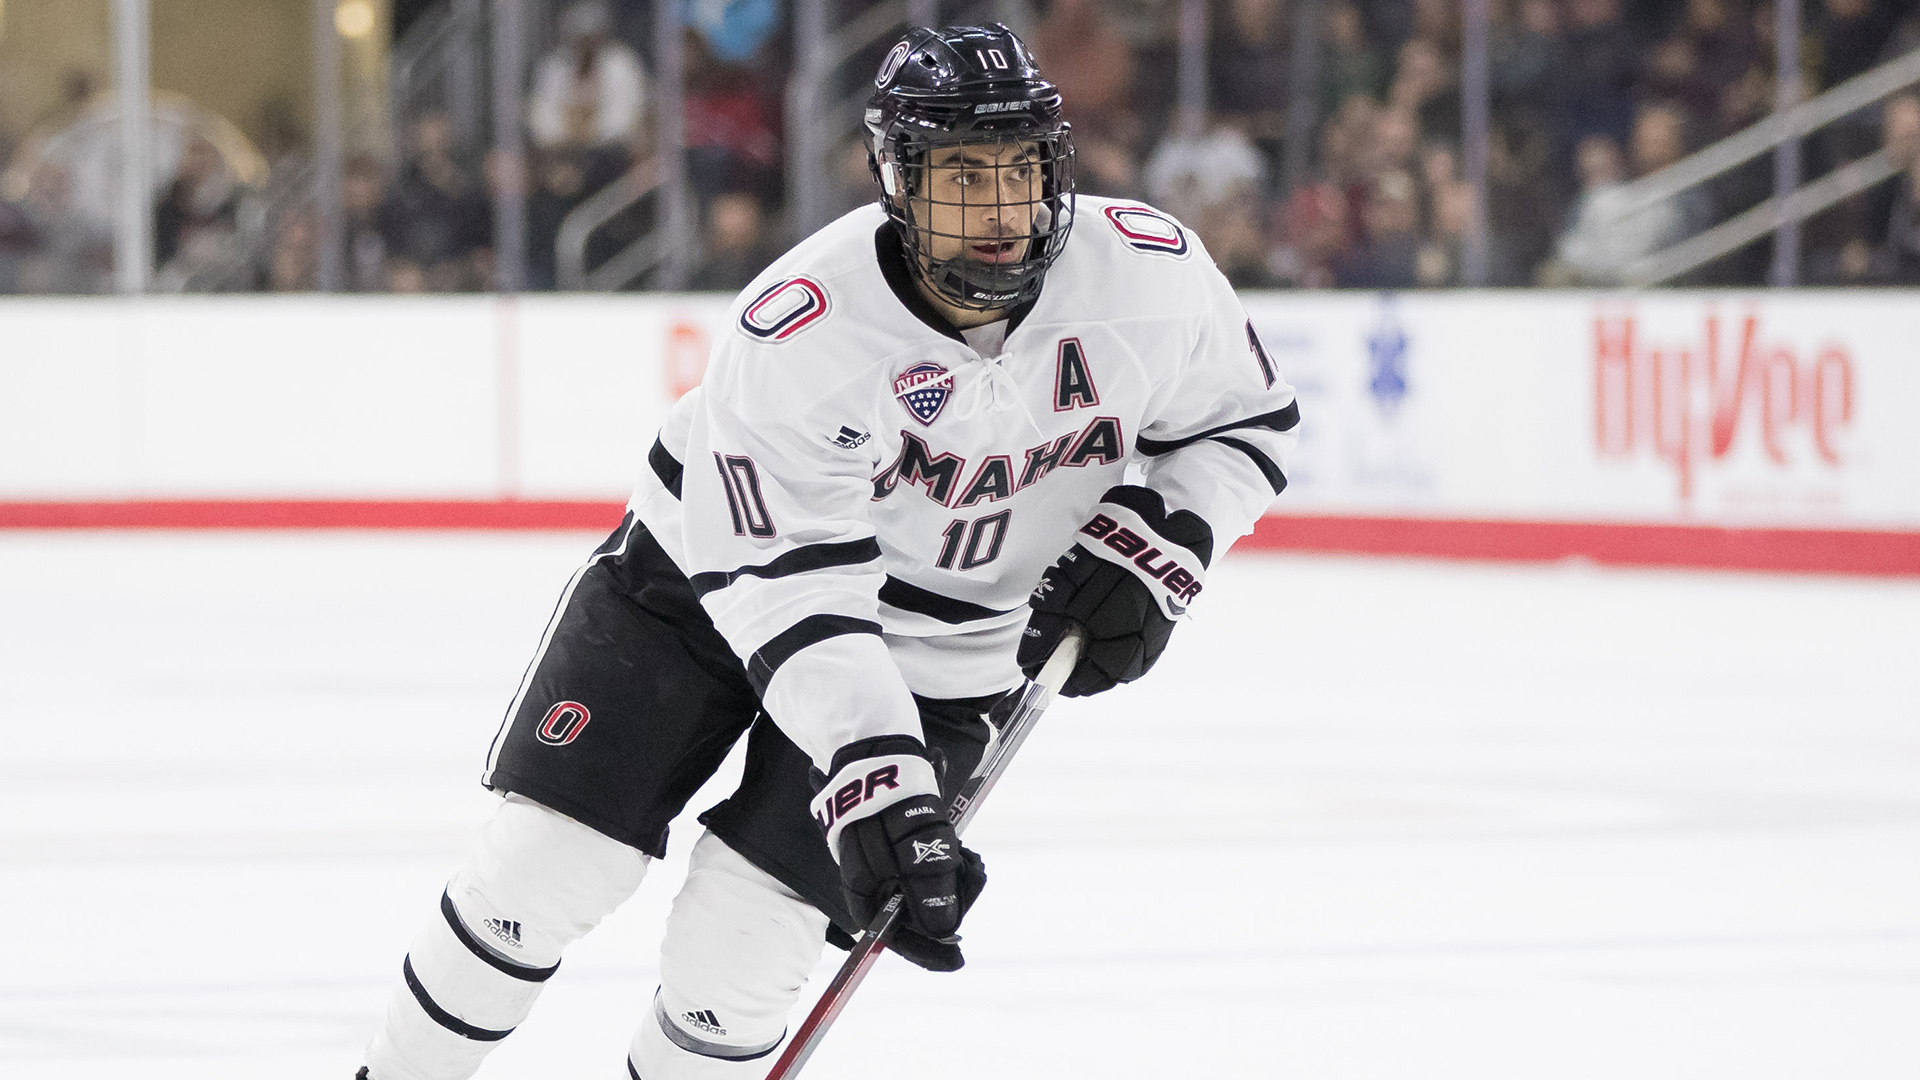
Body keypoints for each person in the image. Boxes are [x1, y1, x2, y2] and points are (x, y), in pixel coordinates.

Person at [356, 23, 1297, 1080]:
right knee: (543, 871)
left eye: (1022, 169)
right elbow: (791, 593)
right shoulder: (799, 332)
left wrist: (1164, 544)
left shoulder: (1148, 278)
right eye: (961, 174)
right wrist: (878, 781)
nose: (1001, 209)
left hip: (951, 650)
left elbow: (1245, 425)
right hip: (705, 589)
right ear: (897, 179)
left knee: (741, 960)